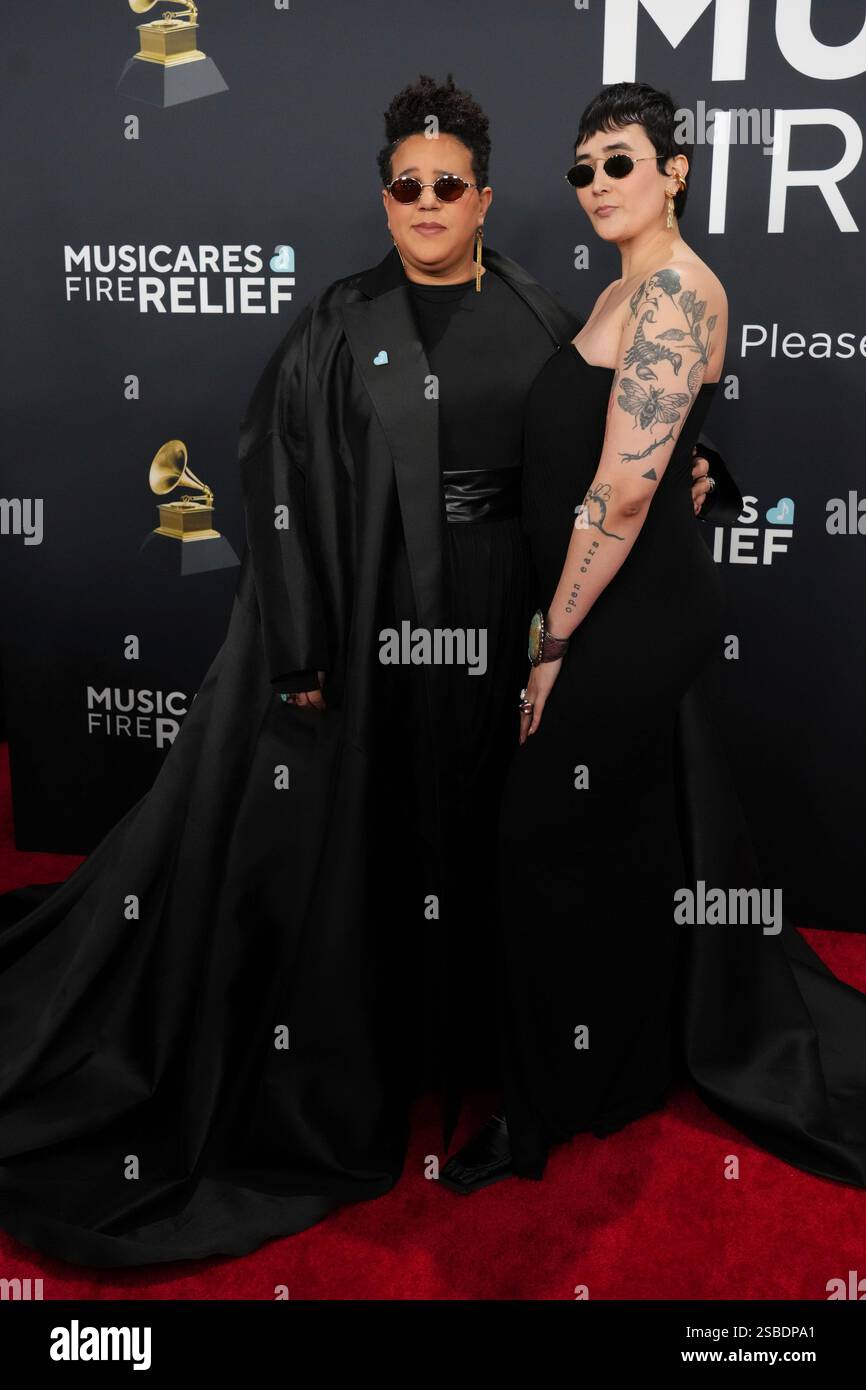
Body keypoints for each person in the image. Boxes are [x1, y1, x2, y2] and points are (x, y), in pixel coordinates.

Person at [0, 74, 735, 1267]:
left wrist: (700, 478)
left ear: (486, 197)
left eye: (451, 184)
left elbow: (614, 446)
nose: (429, 201)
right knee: (389, 843)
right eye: (408, 185)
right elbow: (277, 494)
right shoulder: (335, 325)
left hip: (516, 619)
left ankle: (488, 1057)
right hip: (383, 633)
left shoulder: (549, 306)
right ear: (383, 199)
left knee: (498, 840)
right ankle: (386, 1057)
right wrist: (300, 654)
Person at [439, 81, 866, 1196]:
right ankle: (613, 1073)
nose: (593, 186)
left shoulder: (676, 292)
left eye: (617, 162)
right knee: (608, 854)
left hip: (620, 619)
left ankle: (533, 1116)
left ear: (675, 170)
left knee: (536, 849)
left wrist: (550, 644)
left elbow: (621, 495)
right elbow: (650, 451)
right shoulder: (622, 292)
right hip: (604, 608)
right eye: (580, 169)